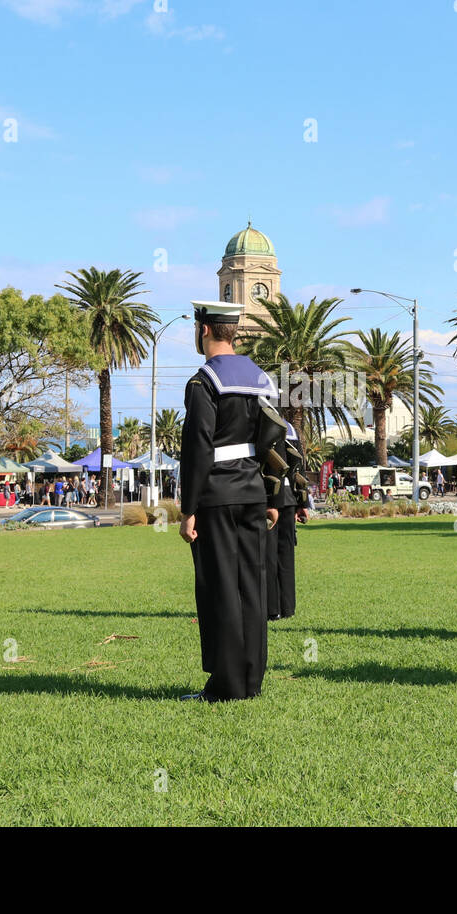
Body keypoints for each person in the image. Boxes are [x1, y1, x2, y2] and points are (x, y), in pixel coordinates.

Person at [178, 301, 284, 702]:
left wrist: (189, 509)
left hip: (216, 498)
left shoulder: (202, 382)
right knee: (252, 587)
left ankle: (224, 686)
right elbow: (276, 440)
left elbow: (198, 449)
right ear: (232, 331)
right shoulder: (260, 378)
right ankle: (250, 682)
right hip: (254, 494)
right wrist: (273, 494)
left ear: (204, 330)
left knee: (220, 587)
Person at [265, 417, 311, 621]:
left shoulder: (261, 423)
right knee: (286, 556)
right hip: (290, 498)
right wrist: (302, 503)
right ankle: (287, 607)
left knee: (267, 555)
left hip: (269, 498)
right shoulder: (290, 428)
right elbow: (298, 467)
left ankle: (271, 609)